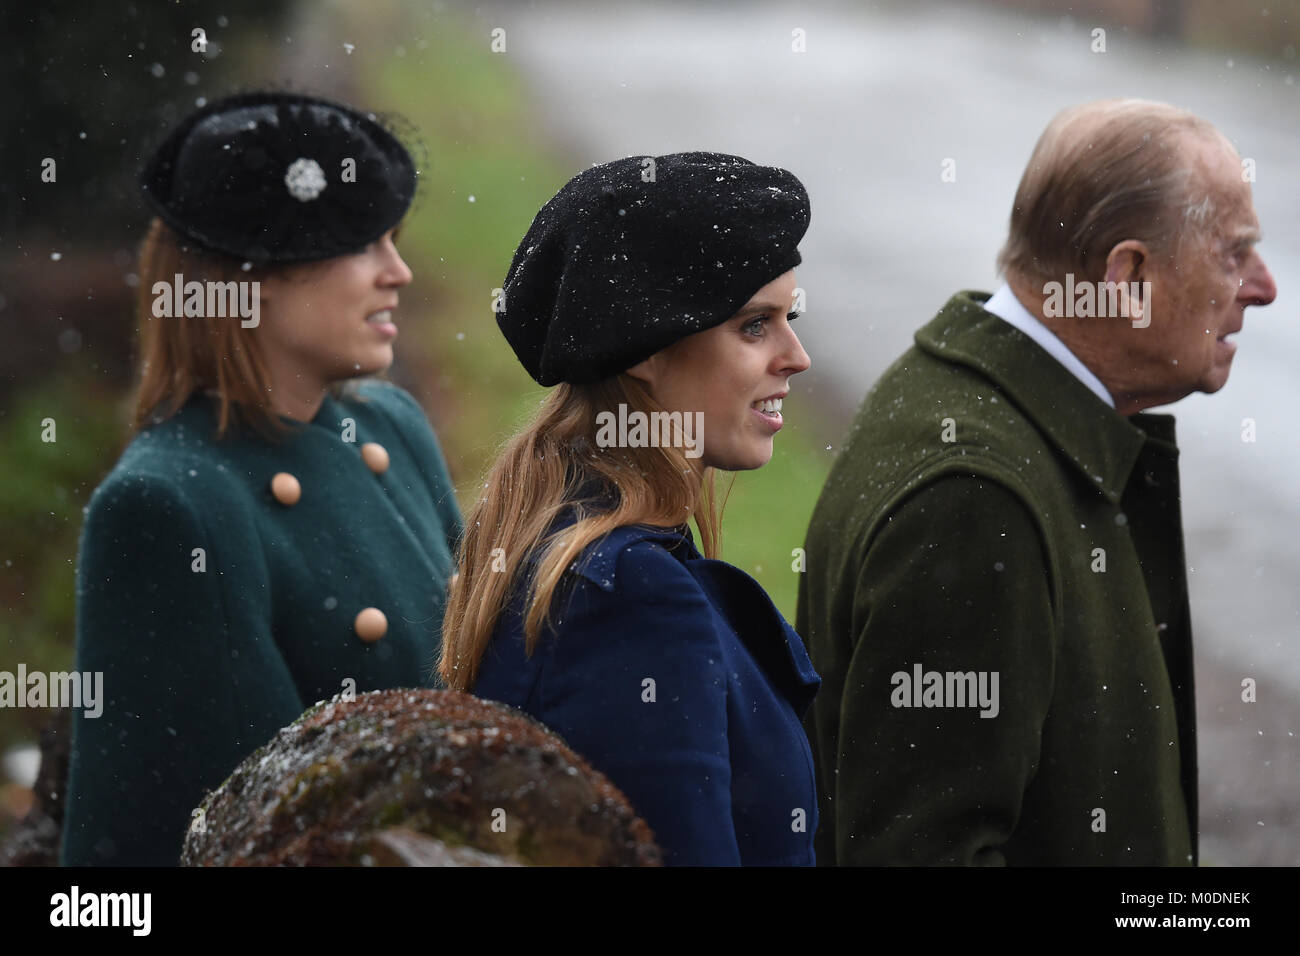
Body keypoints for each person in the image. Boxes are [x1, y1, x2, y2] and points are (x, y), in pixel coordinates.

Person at [798, 98, 1277, 866]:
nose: (1263, 286)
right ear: (1128, 275)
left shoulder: (978, 408)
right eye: (1234, 253)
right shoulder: (974, 495)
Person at [62, 92, 463, 866]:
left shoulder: (391, 427)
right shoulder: (169, 503)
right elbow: (175, 838)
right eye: (363, 244)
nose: (399, 272)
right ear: (253, 276)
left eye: (395, 239)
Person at [439, 152, 821, 866]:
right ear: (647, 348)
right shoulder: (634, 601)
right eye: (753, 325)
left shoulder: (565, 531)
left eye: (789, 318)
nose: (796, 356)